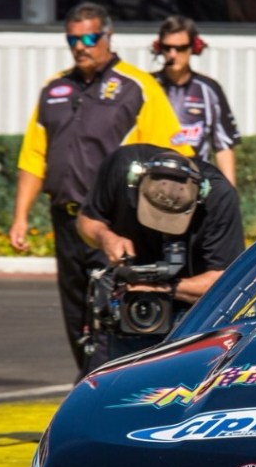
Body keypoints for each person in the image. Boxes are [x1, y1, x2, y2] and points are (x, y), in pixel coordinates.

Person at [8, 2, 188, 375]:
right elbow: (33, 156)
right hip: (68, 221)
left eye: (90, 37)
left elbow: (176, 155)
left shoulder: (138, 87)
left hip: (118, 222)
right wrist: (20, 217)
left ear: (108, 36)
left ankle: (112, 384)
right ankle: (86, 382)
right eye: (73, 39)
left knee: (113, 310)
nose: (81, 46)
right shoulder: (54, 89)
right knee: (77, 313)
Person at [76, 145, 244, 367]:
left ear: (199, 197)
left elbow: (226, 282)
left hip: (194, 315)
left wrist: (163, 290)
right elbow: (87, 219)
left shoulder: (219, 197)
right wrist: (105, 237)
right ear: (136, 184)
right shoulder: (121, 166)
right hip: (132, 310)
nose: (162, 229)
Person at [152, 15, 240, 185]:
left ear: (194, 47)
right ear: (159, 48)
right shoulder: (147, 87)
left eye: (181, 48)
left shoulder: (209, 90)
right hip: (153, 182)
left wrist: (230, 194)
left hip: (195, 185)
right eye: (167, 48)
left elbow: (223, 147)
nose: (172, 54)